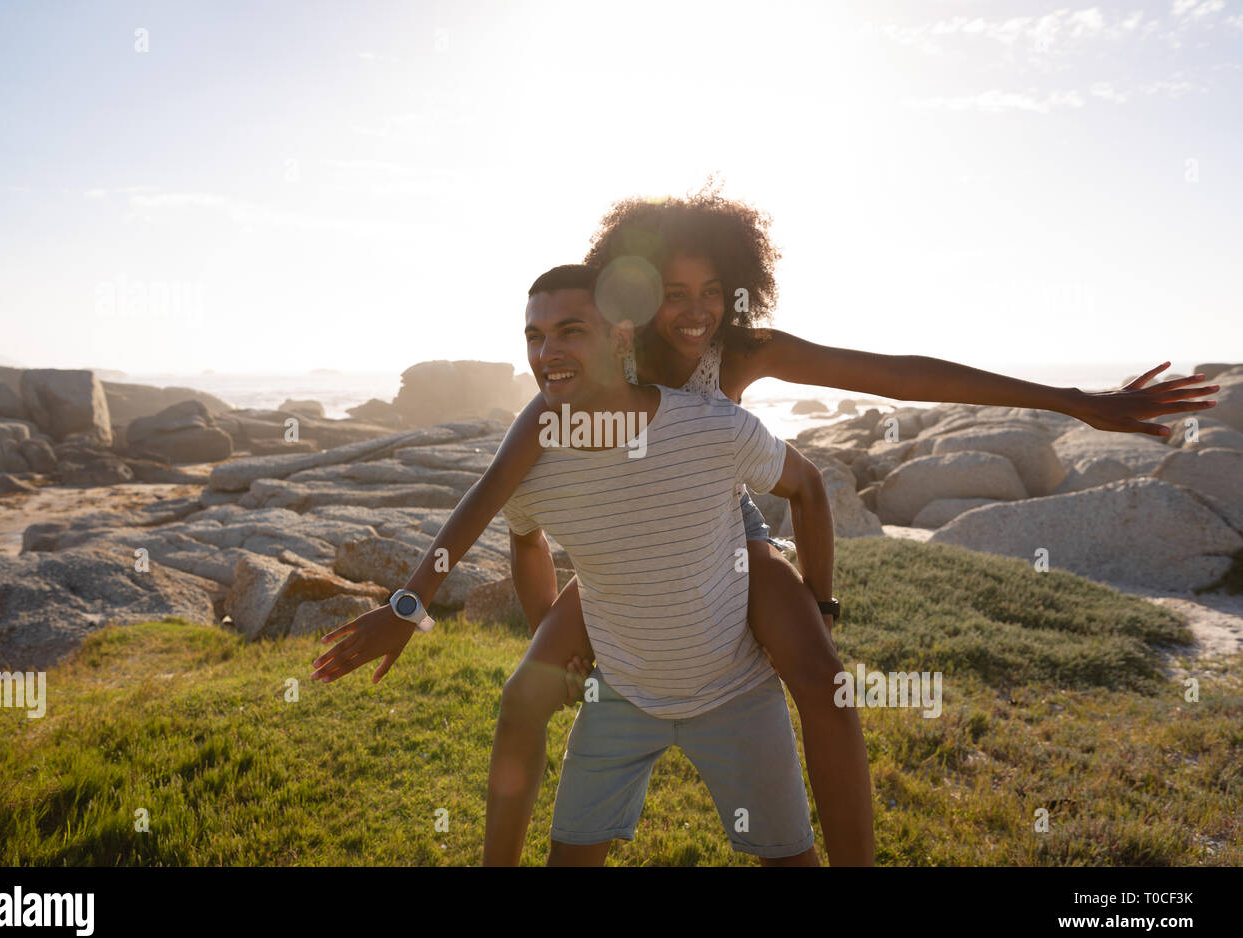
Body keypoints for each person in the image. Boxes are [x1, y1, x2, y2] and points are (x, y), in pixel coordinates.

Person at [310, 187, 1220, 867]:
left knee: (823, 680)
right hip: (627, 555)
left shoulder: (737, 356)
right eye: (673, 290)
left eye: (715, 288)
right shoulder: (588, 375)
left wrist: (1073, 402)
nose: (698, 310)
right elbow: (489, 502)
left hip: (730, 528)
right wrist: (413, 602)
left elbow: (895, 374)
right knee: (523, 697)